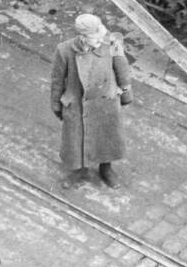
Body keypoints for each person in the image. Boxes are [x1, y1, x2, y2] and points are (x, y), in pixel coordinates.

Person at [49, 12, 132, 189]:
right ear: (83, 37)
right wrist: (56, 103)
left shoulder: (112, 43)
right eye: (95, 40)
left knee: (107, 137)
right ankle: (80, 170)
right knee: (77, 140)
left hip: (105, 102)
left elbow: (123, 71)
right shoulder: (64, 50)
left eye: (101, 37)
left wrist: (125, 94)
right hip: (77, 104)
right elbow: (57, 79)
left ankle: (106, 169)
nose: (100, 42)